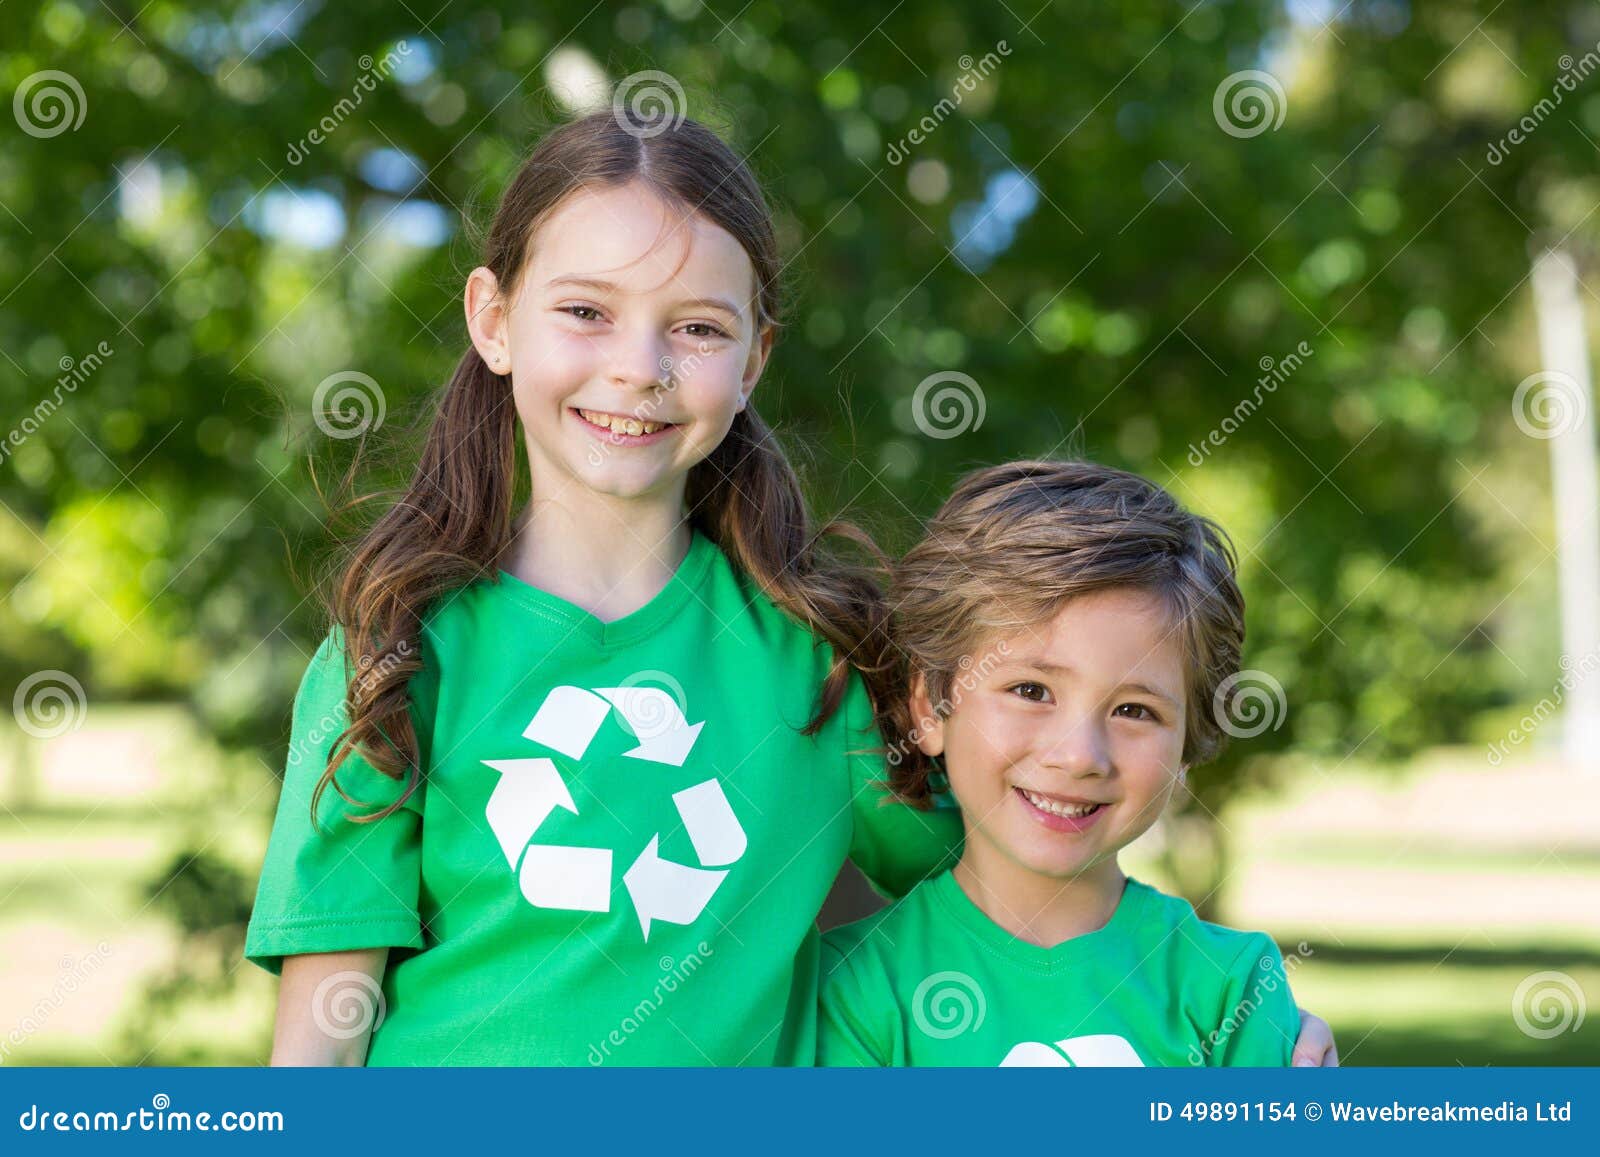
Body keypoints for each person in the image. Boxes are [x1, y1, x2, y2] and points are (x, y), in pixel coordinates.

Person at [818, 459, 1332, 1067]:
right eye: (1031, 691)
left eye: (1136, 711)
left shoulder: (1231, 988)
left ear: (1188, 745)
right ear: (932, 707)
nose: (1080, 755)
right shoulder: (855, 988)